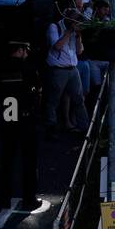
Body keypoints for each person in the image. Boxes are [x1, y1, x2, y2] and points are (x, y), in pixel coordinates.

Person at [0, 40, 44, 212]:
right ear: (21, 50)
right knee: (29, 161)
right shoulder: (29, 69)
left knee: (7, 160)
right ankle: (29, 198)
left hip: (8, 117)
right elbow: (37, 91)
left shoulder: (1, 68)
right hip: (26, 119)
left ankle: (4, 198)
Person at [44, 7, 87, 137]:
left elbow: (79, 51)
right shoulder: (55, 27)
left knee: (79, 99)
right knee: (53, 100)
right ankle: (51, 128)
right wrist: (69, 31)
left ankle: (84, 127)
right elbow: (57, 46)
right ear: (68, 19)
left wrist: (78, 36)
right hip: (58, 69)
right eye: (74, 20)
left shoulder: (75, 32)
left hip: (72, 69)